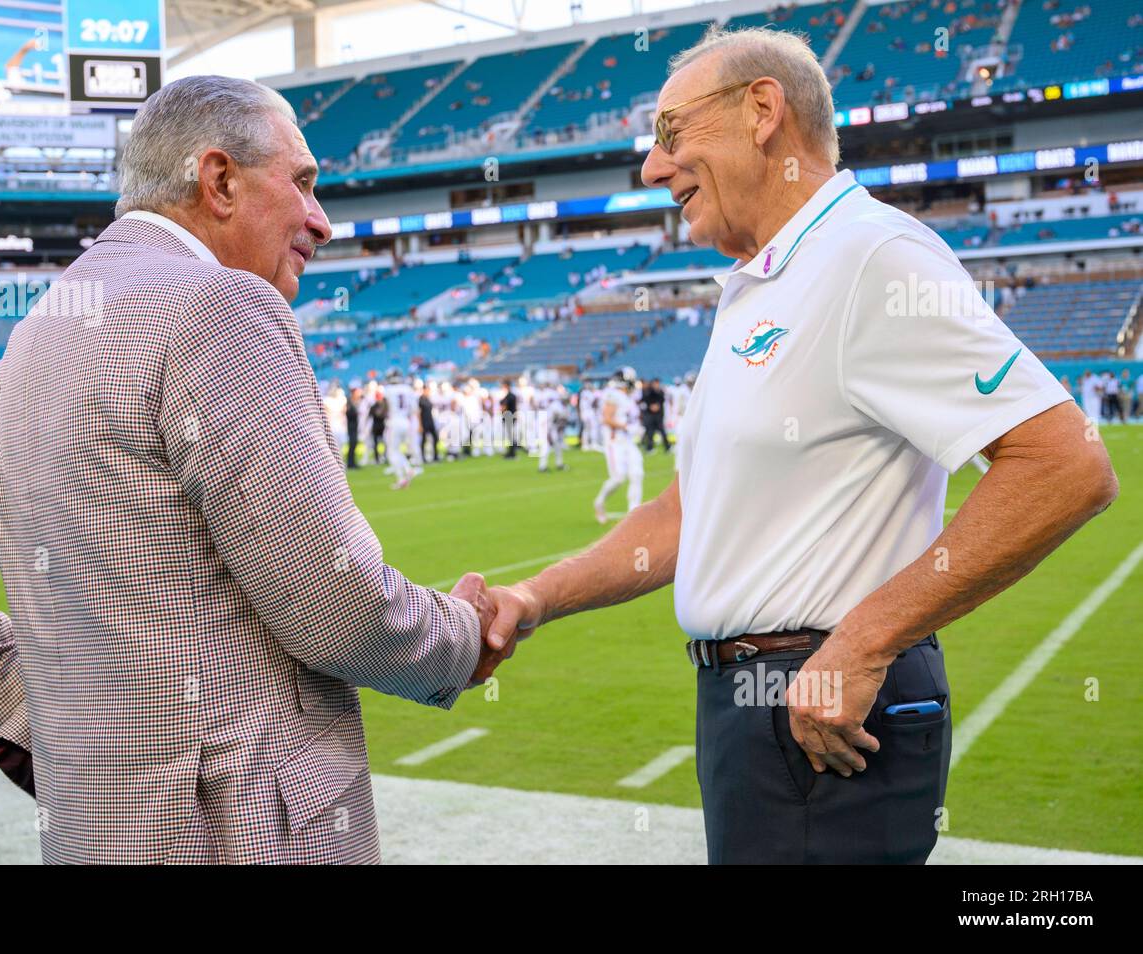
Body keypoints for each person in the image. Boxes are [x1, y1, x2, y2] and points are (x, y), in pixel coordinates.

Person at [473, 26, 1116, 865]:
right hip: (761, 706)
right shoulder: (764, 281)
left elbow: (1066, 464)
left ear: (762, 110)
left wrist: (865, 640)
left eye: (671, 134)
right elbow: (688, 510)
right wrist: (536, 598)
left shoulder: (868, 254)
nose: (652, 168)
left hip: (826, 706)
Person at [0, 76, 500, 865]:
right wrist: (462, 637)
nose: (322, 222)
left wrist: (34, 720)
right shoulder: (219, 306)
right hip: (241, 831)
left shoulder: (32, 340)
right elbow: (336, 608)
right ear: (219, 179)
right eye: (302, 183)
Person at [593, 367, 644, 523]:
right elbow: (606, 418)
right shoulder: (613, 394)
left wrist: (636, 428)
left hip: (628, 441)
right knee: (618, 478)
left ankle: (633, 512)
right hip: (615, 443)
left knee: (637, 474)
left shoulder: (628, 397)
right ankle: (599, 501)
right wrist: (626, 427)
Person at [382, 368, 419, 489]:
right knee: (397, 450)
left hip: (394, 422)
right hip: (406, 421)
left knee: (392, 452)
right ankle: (408, 469)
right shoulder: (408, 389)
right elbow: (413, 409)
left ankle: (401, 478)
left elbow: (385, 408)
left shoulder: (388, 390)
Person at [640, 377, 670, 452]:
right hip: (650, 415)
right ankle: (649, 447)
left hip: (659, 415)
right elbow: (645, 399)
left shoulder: (661, 391)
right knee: (650, 431)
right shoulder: (648, 391)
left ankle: (667, 447)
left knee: (662, 431)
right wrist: (651, 406)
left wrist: (657, 405)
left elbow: (662, 400)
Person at [344, 384, 361, 468]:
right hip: (351, 426)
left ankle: (353, 462)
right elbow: (348, 413)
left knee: (354, 444)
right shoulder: (350, 402)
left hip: (354, 426)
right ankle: (350, 463)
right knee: (352, 444)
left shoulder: (354, 402)